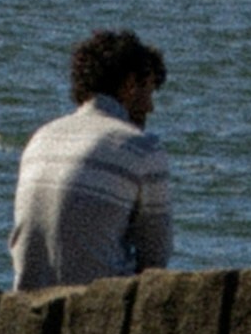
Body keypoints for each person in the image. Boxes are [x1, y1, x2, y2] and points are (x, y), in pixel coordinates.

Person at [9, 28, 171, 290]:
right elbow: (154, 259)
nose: (151, 107)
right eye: (149, 91)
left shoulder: (41, 137)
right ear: (130, 85)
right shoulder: (142, 148)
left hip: (26, 298)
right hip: (99, 307)